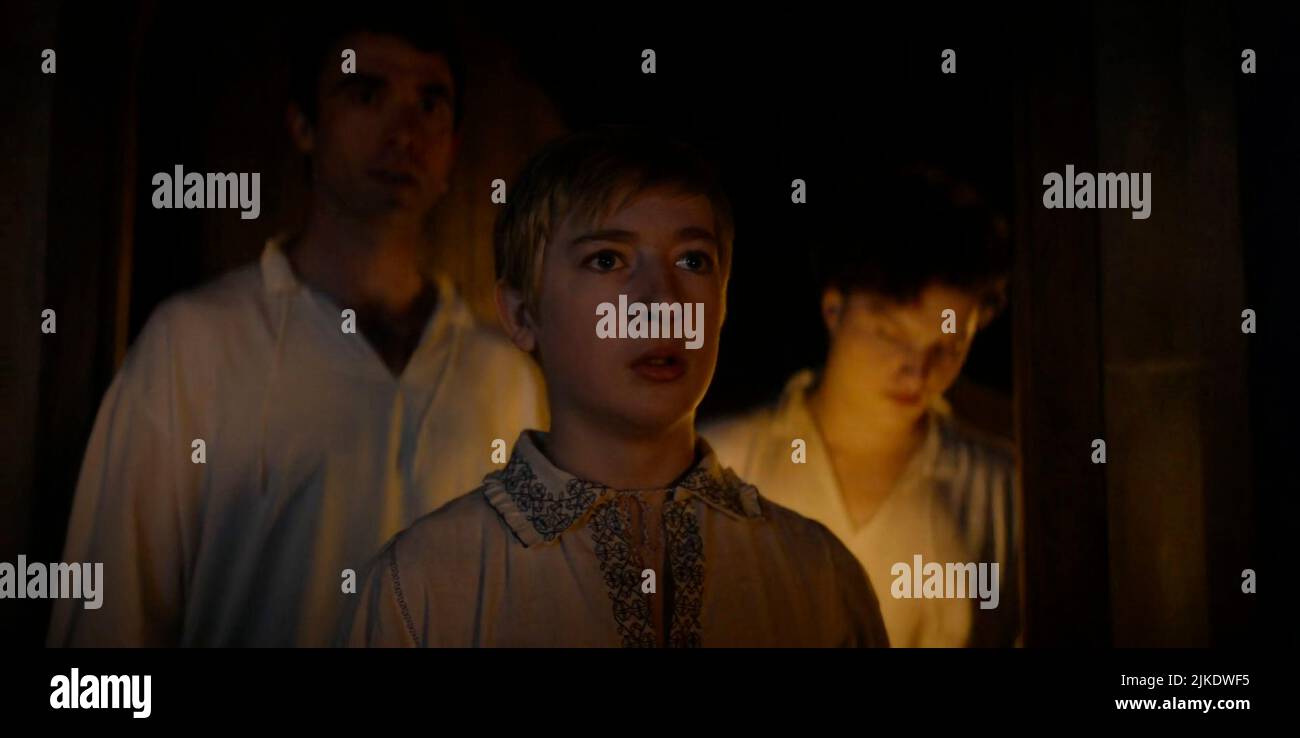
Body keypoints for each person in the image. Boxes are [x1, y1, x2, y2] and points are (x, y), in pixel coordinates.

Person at [48, 7, 543, 647]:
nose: (404, 132)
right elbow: (102, 633)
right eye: (366, 93)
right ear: (303, 124)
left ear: (453, 147)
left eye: (430, 101)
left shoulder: (505, 376)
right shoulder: (194, 346)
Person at [339, 129, 889, 647]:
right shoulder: (423, 589)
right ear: (523, 314)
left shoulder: (820, 579)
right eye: (607, 259)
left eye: (692, 260)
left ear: (721, 301)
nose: (661, 303)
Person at [703, 167, 1020, 647]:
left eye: (948, 344)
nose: (917, 371)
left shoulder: (1004, 493)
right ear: (834, 309)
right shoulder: (721, 464)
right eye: (891, 334)